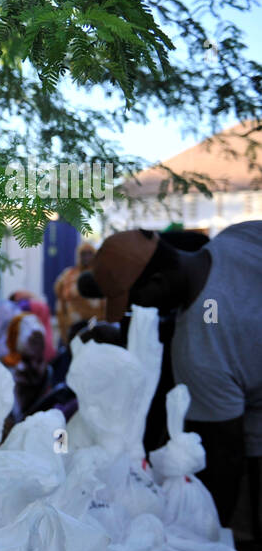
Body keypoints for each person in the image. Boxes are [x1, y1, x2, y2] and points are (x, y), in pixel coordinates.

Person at [79, 223, 262, 526]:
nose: (136, 311)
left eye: (134, 302)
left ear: (158, 281)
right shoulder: (238, 237)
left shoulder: (199, 353)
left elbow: (225, 455)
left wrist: (212, 536)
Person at [52, 242, 105, 347]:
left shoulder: (101, 274)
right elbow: (59, 292)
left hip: (97, 323)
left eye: (89, 254)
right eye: (83, 254)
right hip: (74, 324)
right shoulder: (69, 274)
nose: (86, 257)